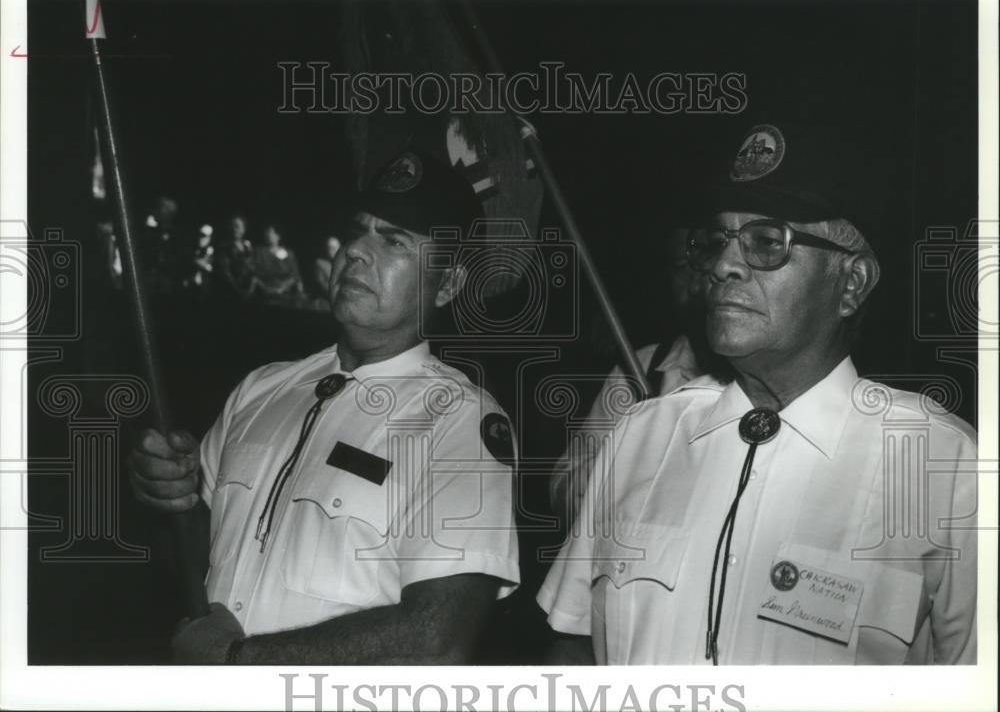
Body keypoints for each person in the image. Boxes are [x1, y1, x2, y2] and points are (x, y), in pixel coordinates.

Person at [538, 117, 977, 665]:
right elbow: (574, 637)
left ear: (852, 284)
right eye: (715, 241)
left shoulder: (943, 462)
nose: (723, 266)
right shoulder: (642, 434)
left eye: (767, 242)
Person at [129, 148, 519, 664]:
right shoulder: (260, 389)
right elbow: (189, 562)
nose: (357, 250)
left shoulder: (458, 420)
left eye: (394, 240)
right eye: (359, 229)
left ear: (447, 285)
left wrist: (239, 659)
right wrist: (167, 500)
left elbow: (437, 641)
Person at [548, 217, 724, 531]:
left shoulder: (762, 375)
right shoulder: (638, 368)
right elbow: (563, 484)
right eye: (682, 265)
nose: (695, 280)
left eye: (705, 260)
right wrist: (624, 472)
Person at [253, 222, 305, 302]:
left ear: (278, 235)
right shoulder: (259, 252)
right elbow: (255, 274)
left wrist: (283, 288)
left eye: (270, 232)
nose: (267, 234)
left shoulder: (288, 253)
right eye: (265, 232)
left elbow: (295, 275)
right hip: (265, 293)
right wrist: (267, 289)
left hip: (286, 294)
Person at [215, 213, 255, 298]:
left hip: (248, 291)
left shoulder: (247, 246)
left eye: (237, 226)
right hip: (230, 293)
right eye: (232, 226)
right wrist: (239, 291)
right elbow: (226, 274)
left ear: (244, 229)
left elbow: (252, 269)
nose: (234, 229)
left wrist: (251, 288)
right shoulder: (224, 247)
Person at [312, 235, 343, 306]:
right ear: (326, 248)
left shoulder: (344, 263)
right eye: (330, 247)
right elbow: (322, 284)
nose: (333, 250)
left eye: (335, 247)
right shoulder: (320, 263)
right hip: (327, 301)